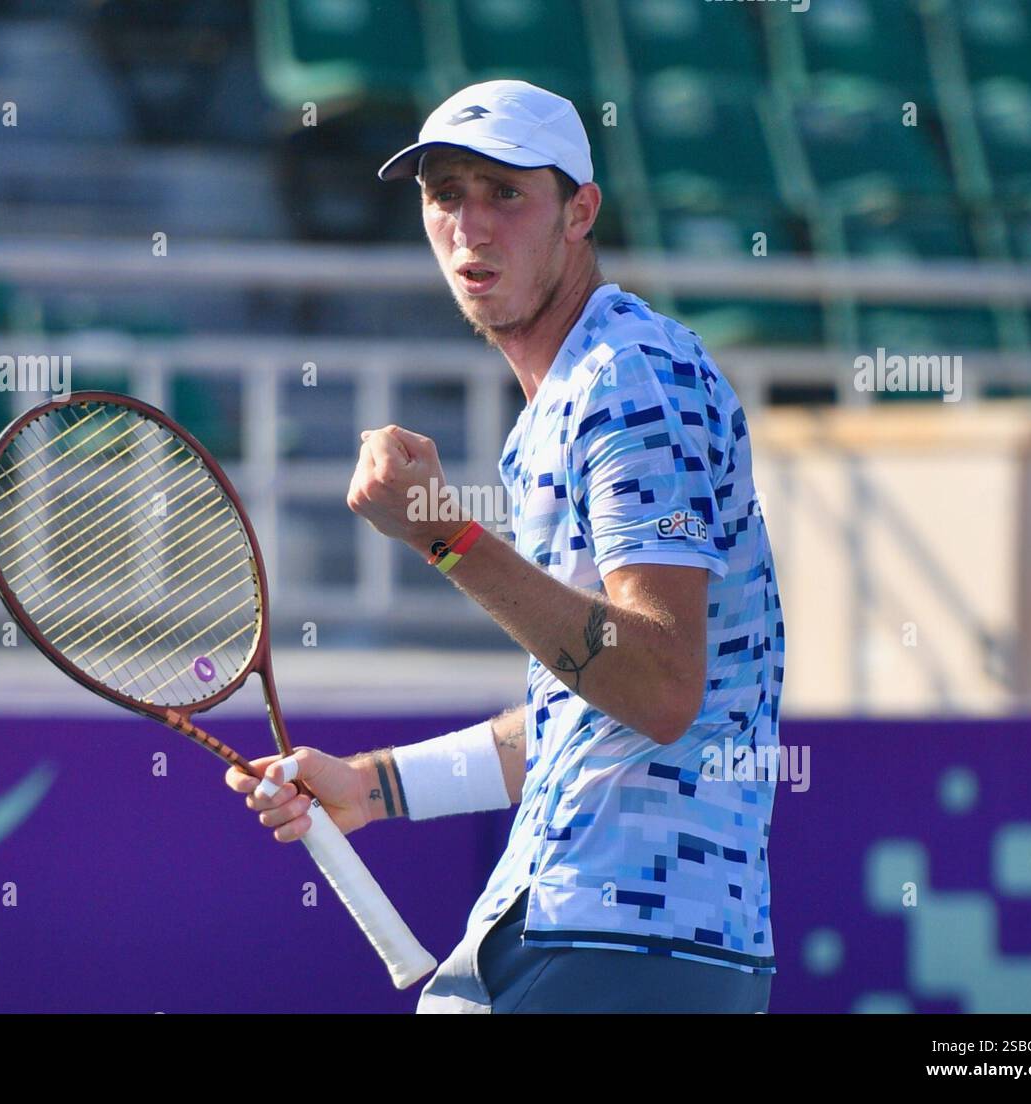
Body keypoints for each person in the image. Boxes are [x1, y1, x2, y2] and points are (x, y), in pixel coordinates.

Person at [226, 79, 785, 1014]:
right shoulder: (565, 399)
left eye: (506, 194)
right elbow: (590, 715)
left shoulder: (628, 378)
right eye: (446, 194)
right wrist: (372, 787)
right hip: (633, 937)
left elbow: (657, 684)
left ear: (582, 211)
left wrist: (445, 536)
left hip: (616, 937)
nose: (471, 227)